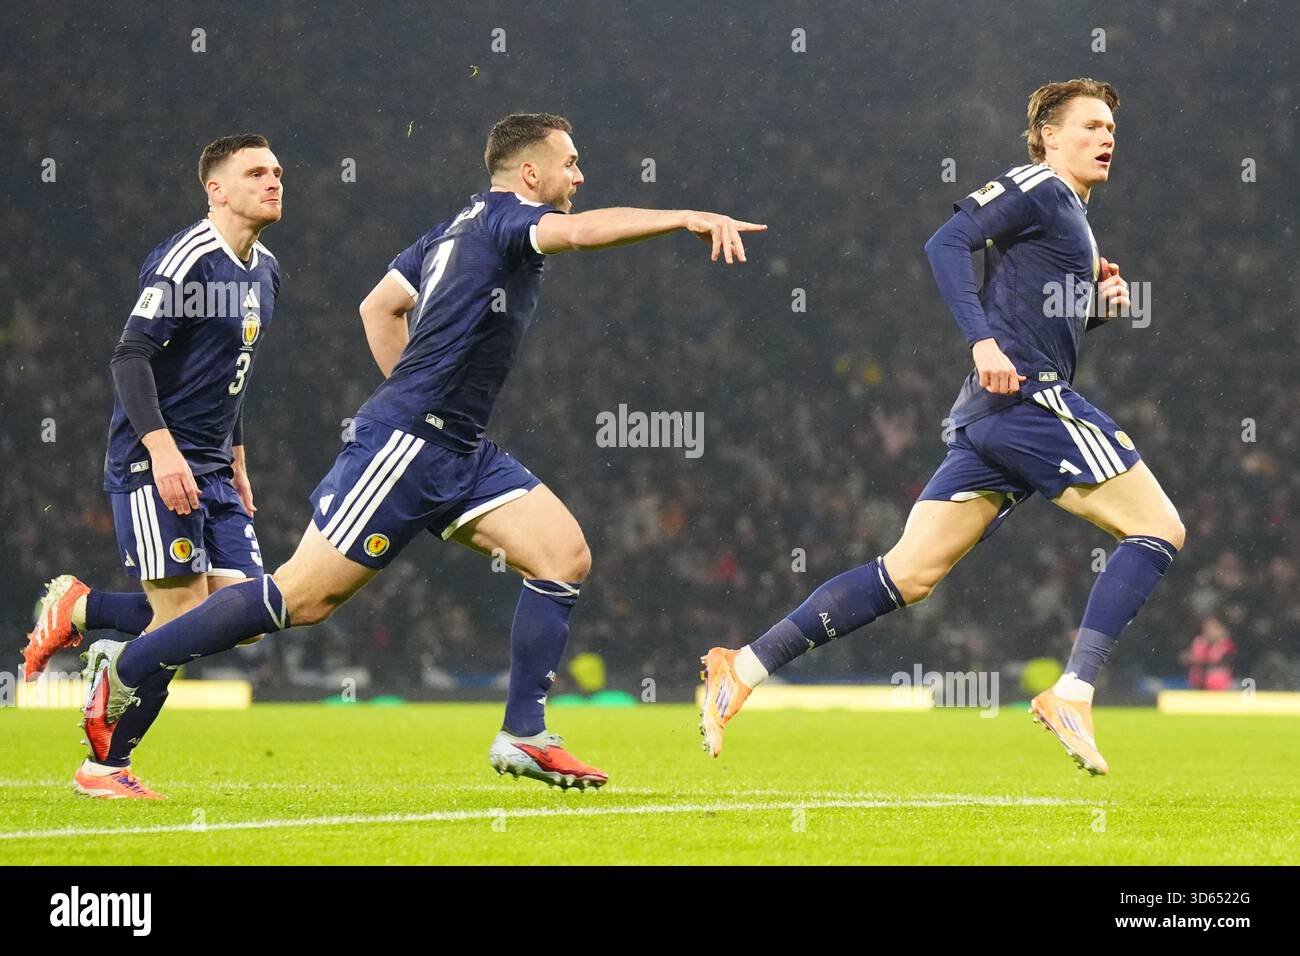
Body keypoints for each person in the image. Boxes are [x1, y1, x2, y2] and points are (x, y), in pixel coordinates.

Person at [80, 112, 765, 792]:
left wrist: (418, 389)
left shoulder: (451, 230)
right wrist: (685, 217)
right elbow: (581, 233)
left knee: (564, 555)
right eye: (571, 162)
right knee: (301, 599)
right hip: (409, 443)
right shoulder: (503, 220)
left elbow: (378, 306)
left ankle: (523, 733)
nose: (580, 175)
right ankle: (132, 666)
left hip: (460, 448)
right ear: (530, 173)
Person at [701, 79, 1183, 776]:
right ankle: (1075, 691)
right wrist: (980, 342)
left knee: (908, 573)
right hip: (1025, 400)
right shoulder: (1039, 185)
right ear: (1049, 136)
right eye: (1090, 126)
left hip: (996, 416)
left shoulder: (1072, 215)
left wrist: (1098, 308)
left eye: (1111, 127)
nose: (1106, 137)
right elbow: (946, 241)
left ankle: (741, 666)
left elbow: (1039, 321)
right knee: (1160, 529)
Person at [24, 135, 284, 799]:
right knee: (176, 623)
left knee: (247, 614)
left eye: (278, 171)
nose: (273, 181)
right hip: (154, 464)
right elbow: (130, 356)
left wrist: (239, 457)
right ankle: (104, 767)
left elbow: (234, 374)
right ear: (216, 190)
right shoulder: (187, 259)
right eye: (255, 172)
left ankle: (84, 609)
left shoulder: (265, 271)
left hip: (216, 471)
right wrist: (164, 450)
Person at [1182, 615, 1235, 690]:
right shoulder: (1199, 641)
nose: (1209, 630)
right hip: (1197, 682)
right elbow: (1189, 656)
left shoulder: (1226, 643)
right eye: (1207, 627)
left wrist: (1195, 658)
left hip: (1218, 684)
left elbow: (1216, 658)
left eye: (1213, 627)